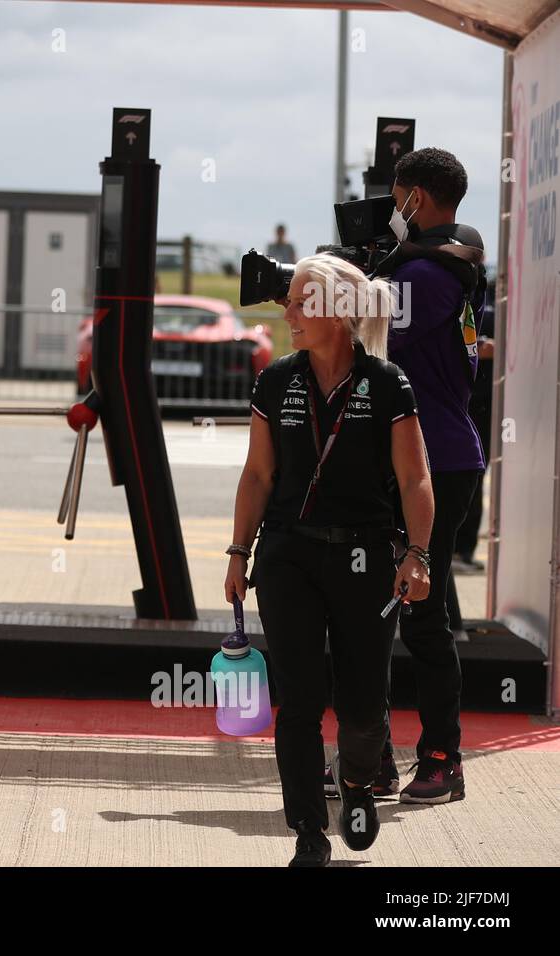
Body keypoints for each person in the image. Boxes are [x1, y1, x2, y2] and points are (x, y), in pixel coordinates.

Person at [225, 253, 433, 866]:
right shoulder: (275, 380)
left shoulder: (387, 383)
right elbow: (258, 475)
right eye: (287, 300)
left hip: (365, 556)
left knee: (364, 704)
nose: (287, 312)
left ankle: (359, 782)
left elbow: (415, 478)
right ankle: (309, 833)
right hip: (287, 555)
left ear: (337, 311)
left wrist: (416, 554)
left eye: (298, 301)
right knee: (298, 700)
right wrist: (239, 553)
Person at [359, 147, 486, 805]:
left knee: (422, 616)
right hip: (407, 459)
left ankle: (442, 758)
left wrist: (333, 283)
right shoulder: (434, 261)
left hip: (438, 462)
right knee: (370, 614)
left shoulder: (435, 273)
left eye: (397, 197)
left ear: (416, 198)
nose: (391, 210)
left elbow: (363, 330)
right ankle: (372, 759)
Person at [453, 276, 495, 573]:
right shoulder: (450, 298)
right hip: (463, 402)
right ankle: (458, 548)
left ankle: (463, 549)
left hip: (483, 404)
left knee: (475, 476)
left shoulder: (491, 307)